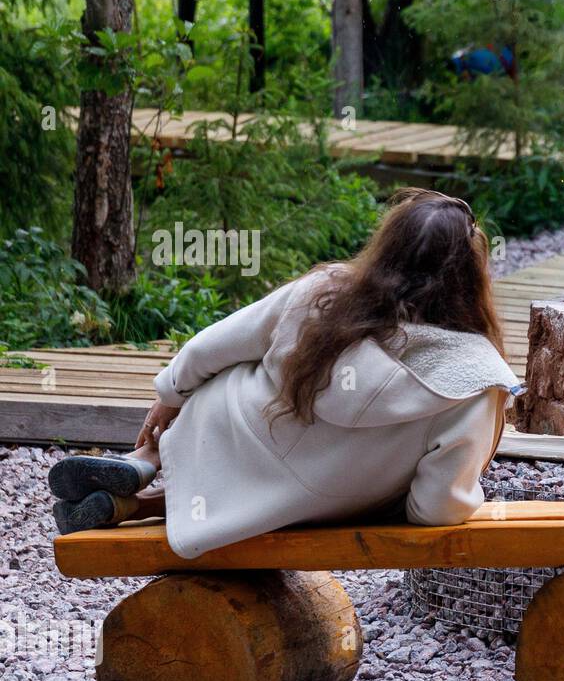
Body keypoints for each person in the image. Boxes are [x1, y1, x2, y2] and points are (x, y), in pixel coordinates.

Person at [48, 188, 519, 559]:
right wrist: (391, 498)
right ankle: (130, 504)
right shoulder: (477, 376)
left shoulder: (323, 292)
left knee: (242, 361)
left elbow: (212, 346)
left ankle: (145, 461)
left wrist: (168, 397)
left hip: (224, 430)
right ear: (473, 273)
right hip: (312, 499)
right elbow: (438, 506)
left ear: (386, 249)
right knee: (304, 493)